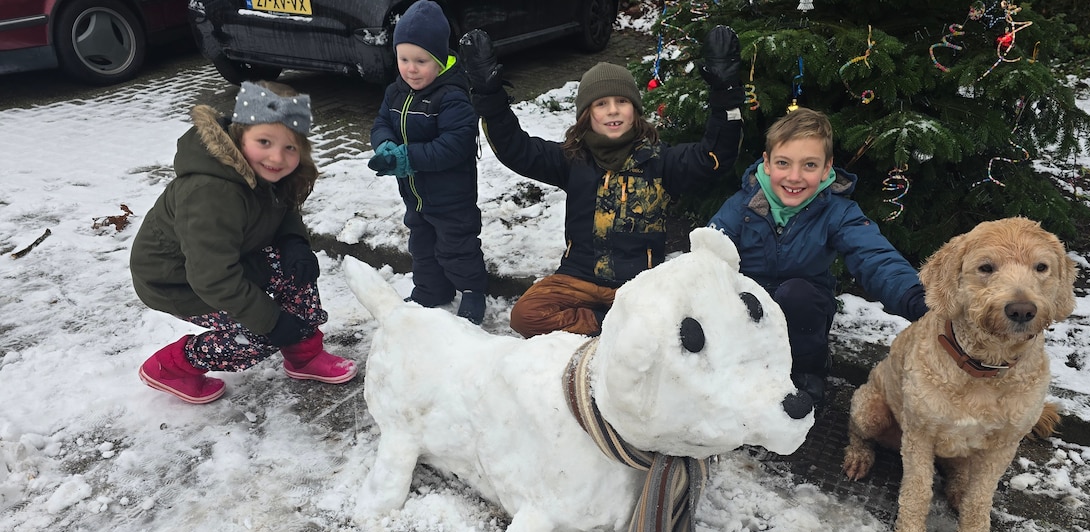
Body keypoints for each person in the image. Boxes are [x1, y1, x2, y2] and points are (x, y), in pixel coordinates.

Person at [457, 25, 746, 338]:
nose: (612, 111)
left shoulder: (661, 161)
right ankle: (605, 325)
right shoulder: (573, 159)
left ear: (635, 110)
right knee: (526, 315)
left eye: (621, 102)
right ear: (587, 114)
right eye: (601, 104)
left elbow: (715, 157)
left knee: (668, 326)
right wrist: (489, 97)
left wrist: (726, 96)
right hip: (578, 279)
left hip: (638, 284)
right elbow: (516, 149)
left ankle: (619, 327)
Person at [130, 80, 356, 405]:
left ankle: (304, 354)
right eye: (264, 141)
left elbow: (281, 208)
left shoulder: (263, 169)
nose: (277, 156)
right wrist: (272, 320)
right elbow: (212, 277)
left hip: (233, 258)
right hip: (179, 280)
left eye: (290, 147)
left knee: (298, 270)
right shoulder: (210, 193)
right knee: (256, 337)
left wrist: (294, 242)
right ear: (239, 135)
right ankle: (171, 366)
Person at [707, 107, 927, 405]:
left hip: (803, 311)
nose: (795, 177)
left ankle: (807, 372)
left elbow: (873, 256)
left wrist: (917, 298)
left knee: (796, 294)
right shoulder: (742, 206)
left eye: (809, 165)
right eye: (784, 163)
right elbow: (709, 251)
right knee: (731, 295)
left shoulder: (838, 212)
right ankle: (739, 369)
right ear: (768, 163)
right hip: (748, 307)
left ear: (826, 169)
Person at [367, 0, 488, 325]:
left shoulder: (452, 96)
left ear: (439, 59)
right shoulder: (396, 92)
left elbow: (453, 145)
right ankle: (431, 290)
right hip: (416, 194)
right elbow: (381, 123)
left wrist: (407, 158)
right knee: (422, 245)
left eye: (421, 61)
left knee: (456, 245)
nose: (411, 68)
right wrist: (386, 146)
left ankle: (473, 291)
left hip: (451, 195)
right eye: (404, 59)